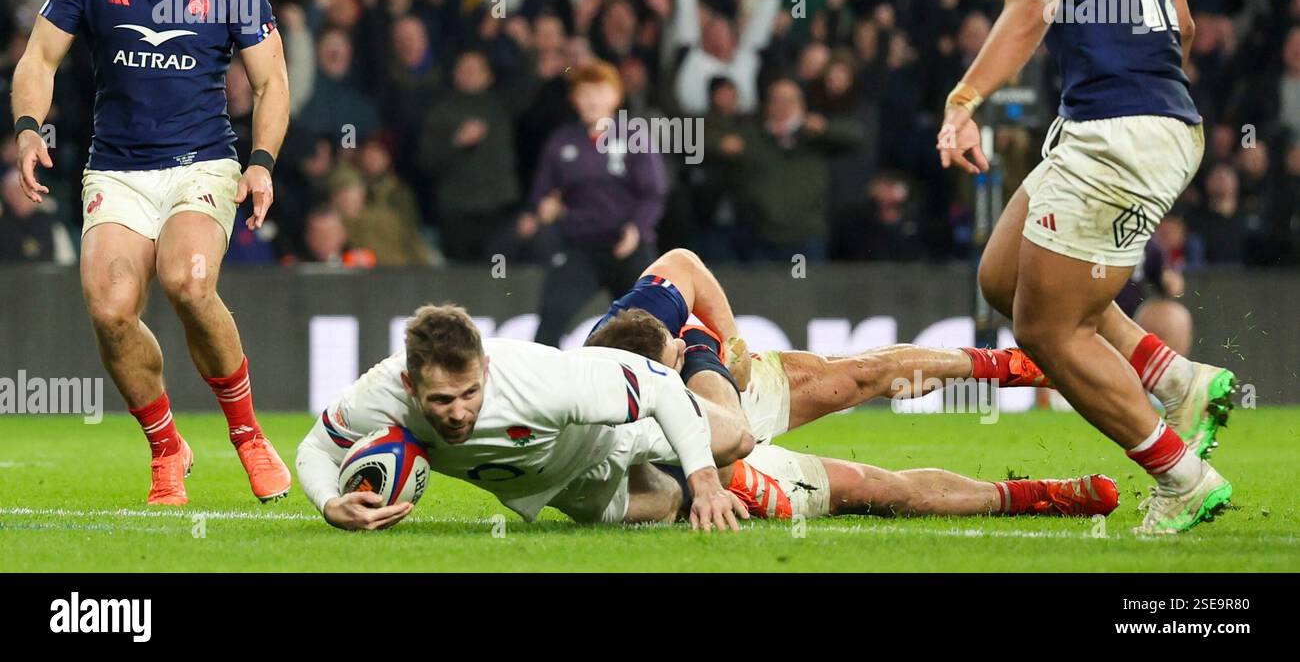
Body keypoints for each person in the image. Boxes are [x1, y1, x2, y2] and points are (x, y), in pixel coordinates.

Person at [937, 0, 1233, 534]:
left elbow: (1033, 7)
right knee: (1003, 278)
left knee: (1046, 330)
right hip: (1149, 119)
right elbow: (1184, 24)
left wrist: (963, 100)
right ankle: (1176, 382)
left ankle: (1181, 477)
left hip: (1115, 132)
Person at [10, 0, 292, 505]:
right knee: (111, 311)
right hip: (117, 167)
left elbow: (272, 82)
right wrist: (26, 129)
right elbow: (39, 59)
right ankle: (167, 448)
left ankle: (248, 435)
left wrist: (261, 163)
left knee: (188, 282)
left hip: (203, 161)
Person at [584, 248, 1116, 521]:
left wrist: (731, 344)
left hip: (721, 390)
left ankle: (1021, 365)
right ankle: (1042, 497)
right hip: (712, 464)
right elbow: (638, 503)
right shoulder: (599, 437)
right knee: (872, 489)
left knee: (860, 374)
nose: (675, 345)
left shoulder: (631, 329)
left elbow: (682, 263)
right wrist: (687, 498)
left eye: (672, 344)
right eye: (672, 354)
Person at [295, 304, 752, 532]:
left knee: (737, 441)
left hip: (607, 434)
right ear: (410, 386)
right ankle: (719, 485)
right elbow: (315, 448)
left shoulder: (540, 379)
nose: (458, 413)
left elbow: (660, 389)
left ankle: (697, 348)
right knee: (668, 504)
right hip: (557, 489)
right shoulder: (380, 396)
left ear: (485, 369)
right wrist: (330, 504)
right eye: (441, 400)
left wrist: (706, 484)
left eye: (470, 392)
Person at [519, 59, 667, 347]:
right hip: (579, 247)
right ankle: (543, 374)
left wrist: (636, 230)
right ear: (574, 99)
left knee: (650, 326)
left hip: (627, 246)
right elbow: (542, 194)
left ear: (615, 96)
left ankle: (658, 373)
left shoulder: (634, 136)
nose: (591, 100)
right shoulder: (561, 141)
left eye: (599, 92)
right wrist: (544, 208)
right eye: (584, 93)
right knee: (550, 320)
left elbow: (653, 192)